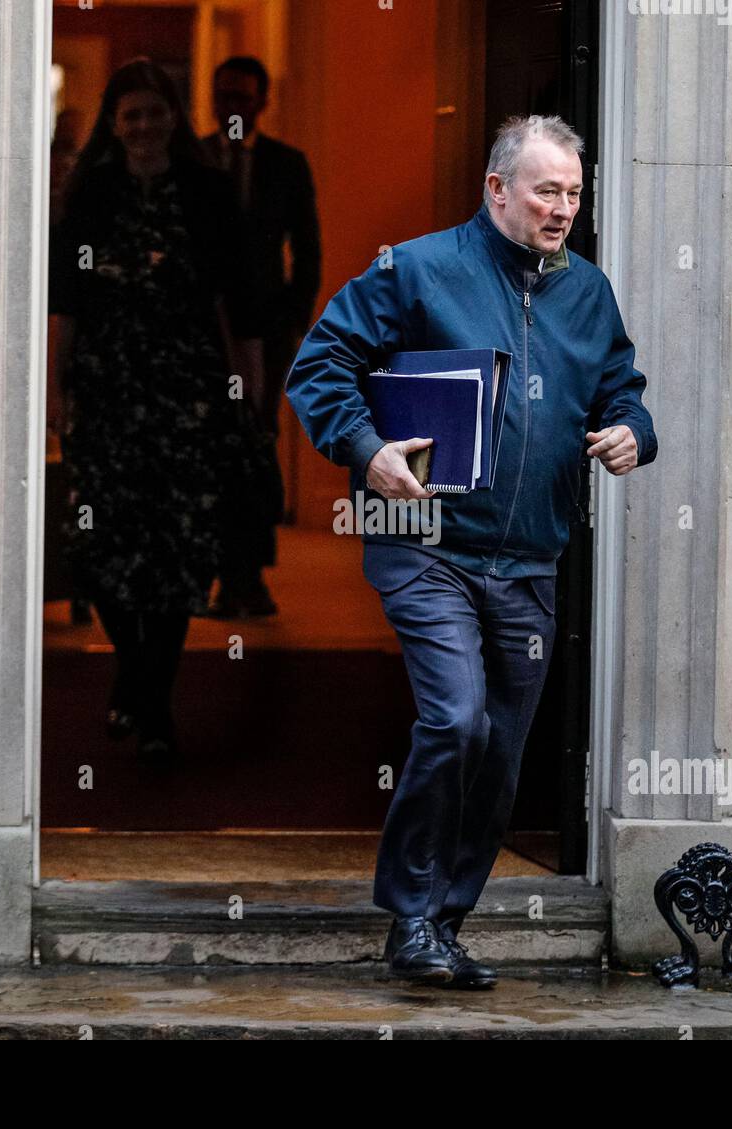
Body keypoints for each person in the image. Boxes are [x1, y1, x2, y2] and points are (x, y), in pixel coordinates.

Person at [284, 114, 657, 988]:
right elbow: (320, 365)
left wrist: (634, 433)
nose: (562, 208)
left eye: (573, 192)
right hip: (424, 542)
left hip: (529, 556)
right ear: (497, 190)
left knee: (499, 751)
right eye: (544, 191)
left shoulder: (588, 292)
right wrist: (368, 448)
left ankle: (440, 924)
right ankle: (411, 912)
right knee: (456, 717)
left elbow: (624, 392)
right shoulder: (415, 269)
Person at [47, 59, 269, 759]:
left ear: (174, 117)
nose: (144, 125)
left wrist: (251, 388)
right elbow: (64, 304)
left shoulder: (207, 193)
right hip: (106, 388)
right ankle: (138, 678)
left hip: (188, 391)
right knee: (101, 545)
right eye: (130, 114)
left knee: (179, 548)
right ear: (115, 126)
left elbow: (240, 299)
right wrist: (54, 389)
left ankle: (153, 704)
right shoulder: (89, 196)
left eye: (154, 111)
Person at [200, 55, 322, 618]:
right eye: (223, 95)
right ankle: (214, 575)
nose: (232, 106)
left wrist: (295, 322)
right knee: (206, 451)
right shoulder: (195, 157)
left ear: (261, 102)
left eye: (243, 97)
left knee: (254, 444)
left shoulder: (285, 165)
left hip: (267, 332)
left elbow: (308, 250)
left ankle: (247, 577)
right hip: (201, 331)